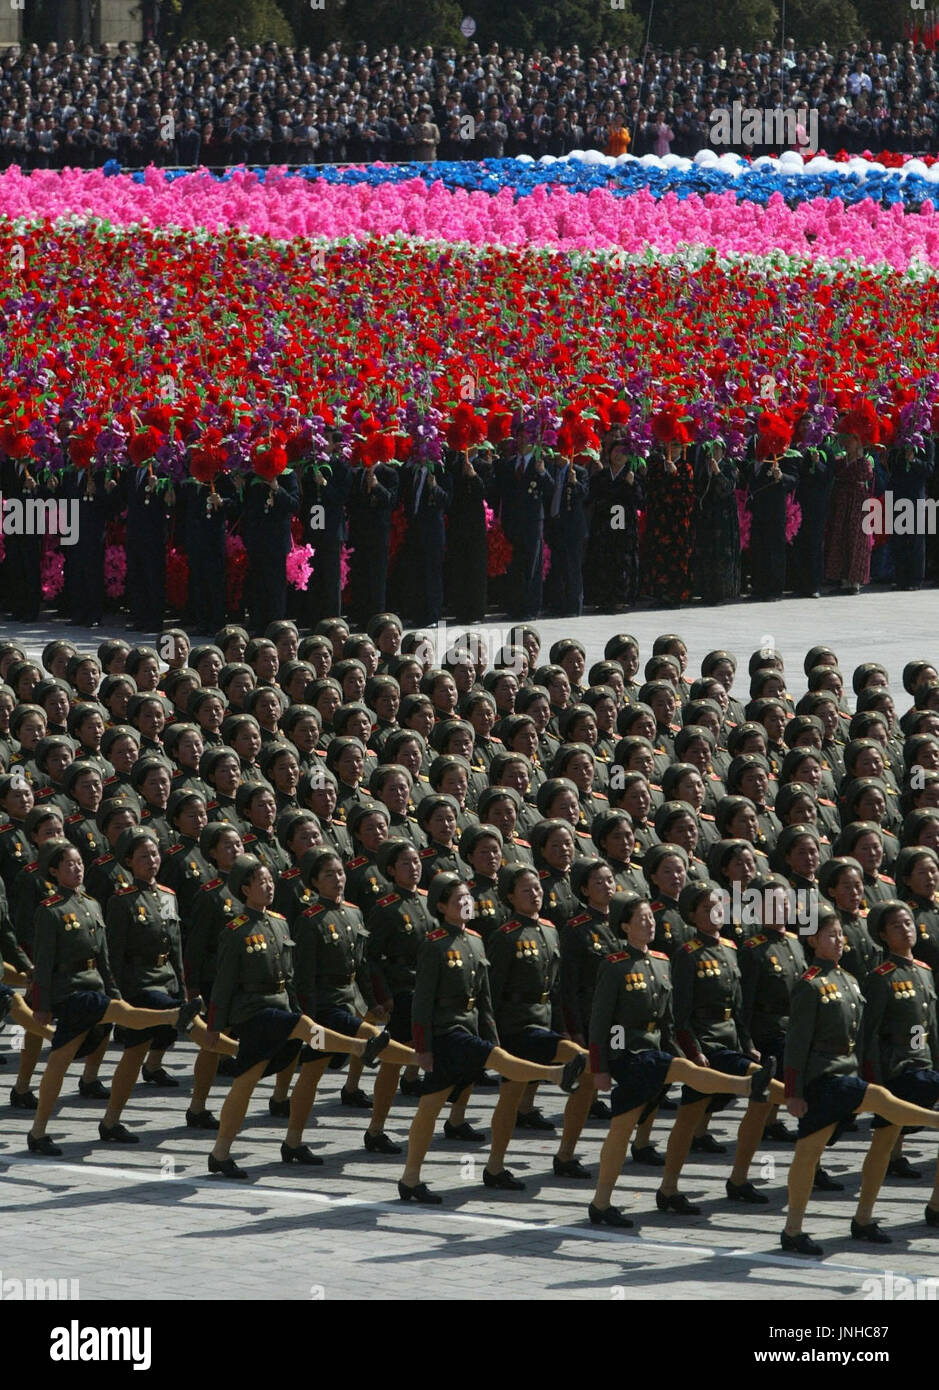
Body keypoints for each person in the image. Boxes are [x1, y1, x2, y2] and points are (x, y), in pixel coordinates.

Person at [587, 893, 775, 1227]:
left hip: (656, 1050)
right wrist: (604, 1065)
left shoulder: (661, 962)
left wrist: (675, 1046)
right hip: (628, 1054)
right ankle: (744, 1084)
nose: (649, 923)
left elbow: (669, 1020)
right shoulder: (613, 965)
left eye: (650, 918)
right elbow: (603, 1020)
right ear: (625, 926)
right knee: (679, 1072)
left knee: (621, 1129)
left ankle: (601, 1203)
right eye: (641, 919)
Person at [398, 873, 586, 1204]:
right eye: (458, 900)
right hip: (446, 1033)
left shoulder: (474, 940)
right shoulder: (434, 944)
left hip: (471, 1028)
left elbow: (484, 1000)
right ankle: (556, 1074)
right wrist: (423, 1048)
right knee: (452, 1091)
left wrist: (493, 1037)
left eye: (468, 899)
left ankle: (410, 1178)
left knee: (430, 1107)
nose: (466, 904)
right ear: (441, 907)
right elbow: (421, 1003)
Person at [203, 854, 393, 1178]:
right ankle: (359, 1047)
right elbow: (222, 984)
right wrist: (215, 1027)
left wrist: (295, 1004)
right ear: (245, 889)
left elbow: (289, 976)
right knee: (303, 1027)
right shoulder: (235, 930)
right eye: (260, 882)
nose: (268, 886)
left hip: (280, 1006)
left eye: (269, 881)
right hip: (253, 1012)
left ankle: (221, 1152)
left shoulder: (279, 922)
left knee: (246, 1082)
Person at [26, 837, 208, 1155]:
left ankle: (41, 1131)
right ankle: (174, 1016)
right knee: (104, 1019)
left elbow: (106, 956)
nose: (77, 869)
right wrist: (41, 1005)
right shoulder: (50, 911)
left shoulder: (92, 904)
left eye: (80, 863)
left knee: (59, 1061)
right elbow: (42, 963)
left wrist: (115, 989)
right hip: (70, 993)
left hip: (96, 985)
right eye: (69, 864)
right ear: (54, 871)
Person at [782, 906, 939, 1255]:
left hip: (847, 1076)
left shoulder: (849, 980)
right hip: (823, 1079)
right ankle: (794, 1230)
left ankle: (823, 1226)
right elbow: (795, 1044)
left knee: (808, 1154)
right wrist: (793, 1093)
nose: (838, 941)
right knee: (811, 1152)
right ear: (812, 940)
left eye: (840, 934)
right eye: (829, 935)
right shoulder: (810, 985)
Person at [855, 900, 939, 1238]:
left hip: (923, 1067)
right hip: (896, 1072)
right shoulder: (879, 978)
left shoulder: (924, 970)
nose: (906, 929)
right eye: (896, 926)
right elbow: (869, 1035)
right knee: (882, 1144)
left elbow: (929, 1028)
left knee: (884, 1143)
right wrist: (876, 1083)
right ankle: (862, 1219)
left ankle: (935, 1206)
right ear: (882, 935)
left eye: (908, 923)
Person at [584, 441, 642, 612]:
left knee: (622, 561)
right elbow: (591, 498)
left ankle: (620, 598)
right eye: (615, 451)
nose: (618, 455)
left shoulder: (632, 476)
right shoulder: (601, 476)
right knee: (602, 559)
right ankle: (602, 598)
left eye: (623, 452)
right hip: (603, 526)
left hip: (625, 528)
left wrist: (631, 485)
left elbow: (641, 501)